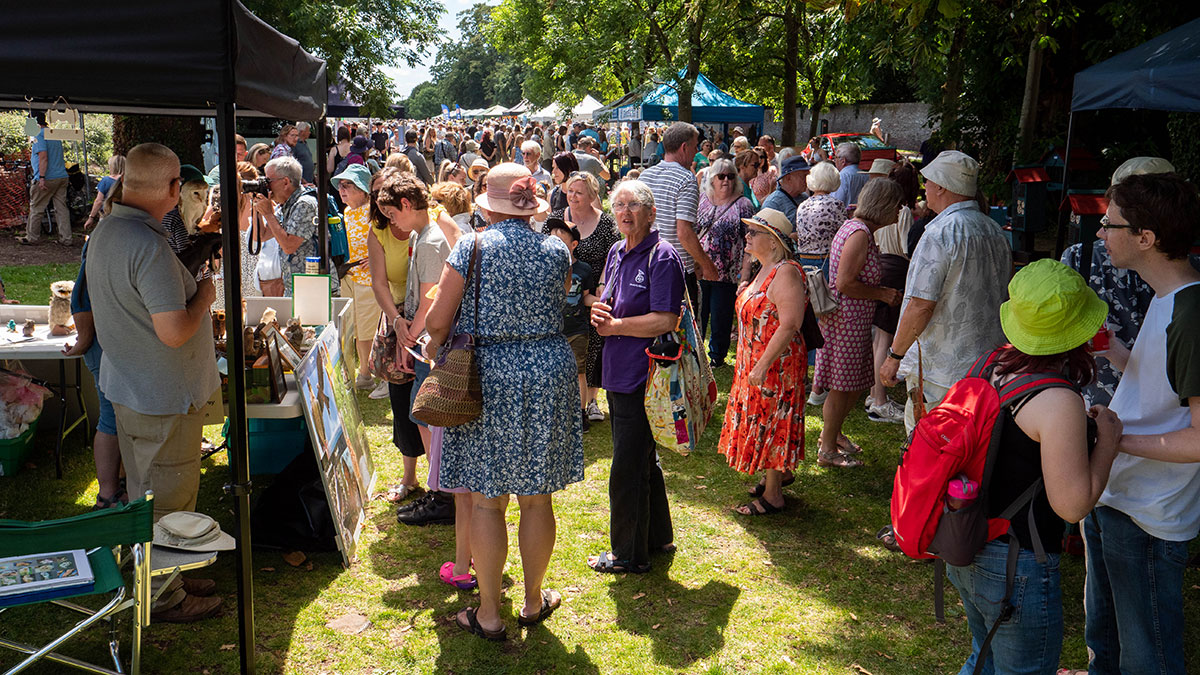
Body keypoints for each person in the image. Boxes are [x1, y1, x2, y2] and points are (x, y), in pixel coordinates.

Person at [425, 163, 582, 640]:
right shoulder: (557, 249)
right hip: (548, 372)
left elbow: (436, 322)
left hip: (488, 373)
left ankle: (489, 613)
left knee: (488, 502)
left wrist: (437, 347)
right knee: (538, 498)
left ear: (486, 204)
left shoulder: (470, 246)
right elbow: (559, 304)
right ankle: (533, 601)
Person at [946, 259, 1121, 675]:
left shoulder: (989, 365)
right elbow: (1072, 506)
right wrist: (1108, 444)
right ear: (1076, 332)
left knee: (982, 656)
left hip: (963, 542)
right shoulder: (1058, 400)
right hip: (1016, 565)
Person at [86, 142, 222, 623]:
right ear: (169, 188)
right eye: (179, 190)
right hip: (161, 396)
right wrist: (205, 295)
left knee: (148, 491)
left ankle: (165, 575)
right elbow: (173, 331)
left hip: (133, 388)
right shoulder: (146, 245)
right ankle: (165, 595)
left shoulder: (107, 231)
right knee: (168, 501)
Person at [1083, 172, 1200, 675]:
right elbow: (1161, 380)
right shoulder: (1168, 298)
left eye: (1109, 225)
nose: (1101, 235)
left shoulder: (1192, 312)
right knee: (1105, 641)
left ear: (1145, 238)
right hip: (1119, 490)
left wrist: (1113, 443)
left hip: (1151, 511)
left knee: (1146, 655)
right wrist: (1107, 346)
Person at [588, 179, 684, 574]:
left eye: (634, 205)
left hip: (645, 374)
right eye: (619, 205)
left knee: (626, 465)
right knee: (642, 456)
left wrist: (617, 325)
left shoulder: (661, 256)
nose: (625, 212)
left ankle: (627, 554)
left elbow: (666, 319)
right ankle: (658, 536)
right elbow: (608, 298)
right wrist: (598, 310)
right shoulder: (616, 250)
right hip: (619, 370)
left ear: (651, 212)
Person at [880, 151, 1011, 432]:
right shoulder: (995, 230)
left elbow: (921, 305)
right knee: (971, 444)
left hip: (942, 370)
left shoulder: (941, 232)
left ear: (941, 186)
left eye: (927, 181)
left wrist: (894, 356)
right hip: (986, 362)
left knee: (931, 447)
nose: (924, 188)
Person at [1058, 156, 1179, 408]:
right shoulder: (1189, 270)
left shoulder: (1081, 257)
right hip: (1123, 405)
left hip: (1106, 400)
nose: (1101, 232)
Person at [719, 208, 807, 515]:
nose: (748, 235)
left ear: (773, 241)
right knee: (764, 417)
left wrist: (761, 364)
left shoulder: (786, 272)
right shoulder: (764, 267)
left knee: (773, 421)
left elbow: (790, 324)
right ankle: (778, 474)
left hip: (775, 364)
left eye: (755, 232)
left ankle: (773, 496)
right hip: (755, 360)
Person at [814, 179, 904, 468]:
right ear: (885, 206)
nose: (901, 212)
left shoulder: (861, 229)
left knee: (854, 384)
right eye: (898, 206)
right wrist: (882, 294)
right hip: (846, 322)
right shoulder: (859, 233)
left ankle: (834, 434)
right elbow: (844, 283)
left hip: (852, 321)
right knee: (842, 386)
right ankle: (827, 449)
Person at [544, 171, 620, 422]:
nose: (572, 196)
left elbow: (615, 255)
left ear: (592, 196)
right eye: (570, 191)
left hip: (596, 287)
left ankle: (591, 402)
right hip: (563, 296)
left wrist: (602, 284)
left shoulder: (606, 222)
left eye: (579, 192)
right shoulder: (555, 220)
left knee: (593, 347)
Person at [640, 122, 719, 308]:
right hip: (676, 269)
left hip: (645, 264)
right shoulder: (686, 179)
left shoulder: (645, 176)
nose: (696, 151)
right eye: (695, 146)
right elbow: (684, 232)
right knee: (682, 332)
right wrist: (706, 265)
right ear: (685, 147)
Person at [865, 160, 918, 424]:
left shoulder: (879, 212)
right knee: (884, 338)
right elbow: (907, 248)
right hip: (896, 268)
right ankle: (879, 400)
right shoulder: (903, 211)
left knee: (878, 337)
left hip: (880, 264)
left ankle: (875, 393)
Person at [696, 158, 755, 368]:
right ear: (712, 179)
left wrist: (745, 275)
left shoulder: (744, 205)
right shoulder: (702, 200)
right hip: (700, 270)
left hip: (727, 272)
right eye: (721, 176)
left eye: (731, 176)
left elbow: (751, 242)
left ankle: (717, 357)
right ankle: (695, 355)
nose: (726, 181)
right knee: (698, 315)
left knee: (720, 316)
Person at [333, 164, 385, 397]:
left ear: (364, 191)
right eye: (341, 186)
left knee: (365, 330)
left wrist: (374, 258)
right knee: (347, 328)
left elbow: (386, 241)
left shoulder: (375, 213)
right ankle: (349, 374)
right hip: (348, 277)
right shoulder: (344, 212)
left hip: (368, 280)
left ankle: (365, 374)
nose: (343, 190)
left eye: (349, 186)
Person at [255, 156, 337, 296]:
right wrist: (258, 208)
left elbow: (289, 246)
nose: (266, 186)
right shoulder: (287, 205)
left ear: (286, 182)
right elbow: (261, 236)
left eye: (268, 181)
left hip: (314, 288)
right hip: (296, 288)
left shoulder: (304, 204)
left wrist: (269, 214)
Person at [546, 219, 598, 431]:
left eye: (561, 236)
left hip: (577, 329)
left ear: (573, 244)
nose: (554, 238)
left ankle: (581, 413)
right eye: (552, 236)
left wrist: (602, 302)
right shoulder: (543, 266)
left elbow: (586, 298)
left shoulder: (583, 269)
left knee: (578, 372)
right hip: (551, 331)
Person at [18, 112, 72, 246]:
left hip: (47, 178)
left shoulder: (38, 136)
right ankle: (66, 239)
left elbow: (43, 157)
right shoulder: (53, 134)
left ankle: (32, 237)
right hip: (62, 177)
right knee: (61, 209)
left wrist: (41, 177)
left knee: (36, 207)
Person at [793, 161, 844, 271]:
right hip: (827, 260)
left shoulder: (802, 205)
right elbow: (843, 234)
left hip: (804, 259)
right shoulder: (835, 204)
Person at [760, 155, 809, 224]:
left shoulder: (804, 197)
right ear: (788, 178)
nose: (806, 180)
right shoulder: (773, 203)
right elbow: (765, 232)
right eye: (804, 176)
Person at [84, 154, 126, 230]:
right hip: (125, 215)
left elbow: (98, 201)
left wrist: (91, 217)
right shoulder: (129, 181)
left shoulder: (106, 181)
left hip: (108, 215)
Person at [831, 142, 869, 208]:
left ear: (843, 161)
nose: (834, 160)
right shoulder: (866, 176)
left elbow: (835, 203)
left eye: (835, 157)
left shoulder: (842, 176)